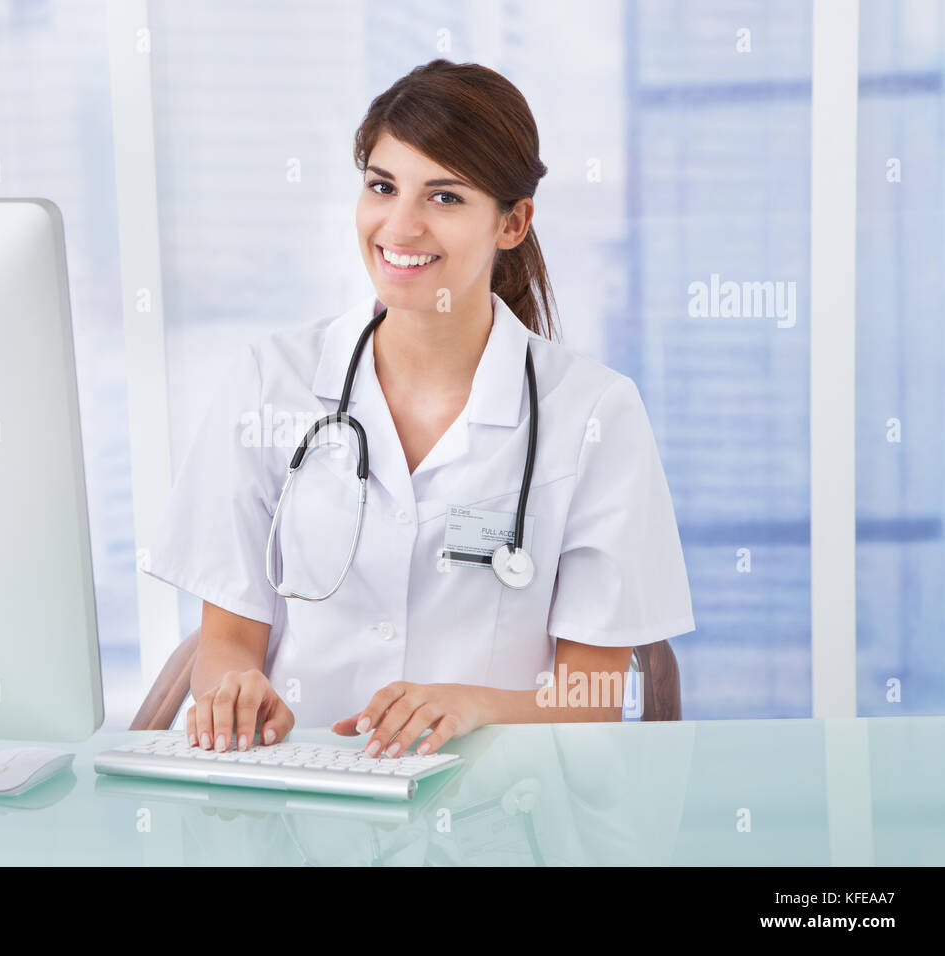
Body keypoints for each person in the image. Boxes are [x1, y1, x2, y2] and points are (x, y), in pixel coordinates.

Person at [138, 58, 695, 759]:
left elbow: (593, 697)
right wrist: (235, 690)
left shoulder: (594, 414)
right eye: (382, 186)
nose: (399, 227)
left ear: (513, 223)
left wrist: (472, 707)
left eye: (444, 198)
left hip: (496, 811)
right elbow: (227, 642)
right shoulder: (270, 382)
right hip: (300, 806)